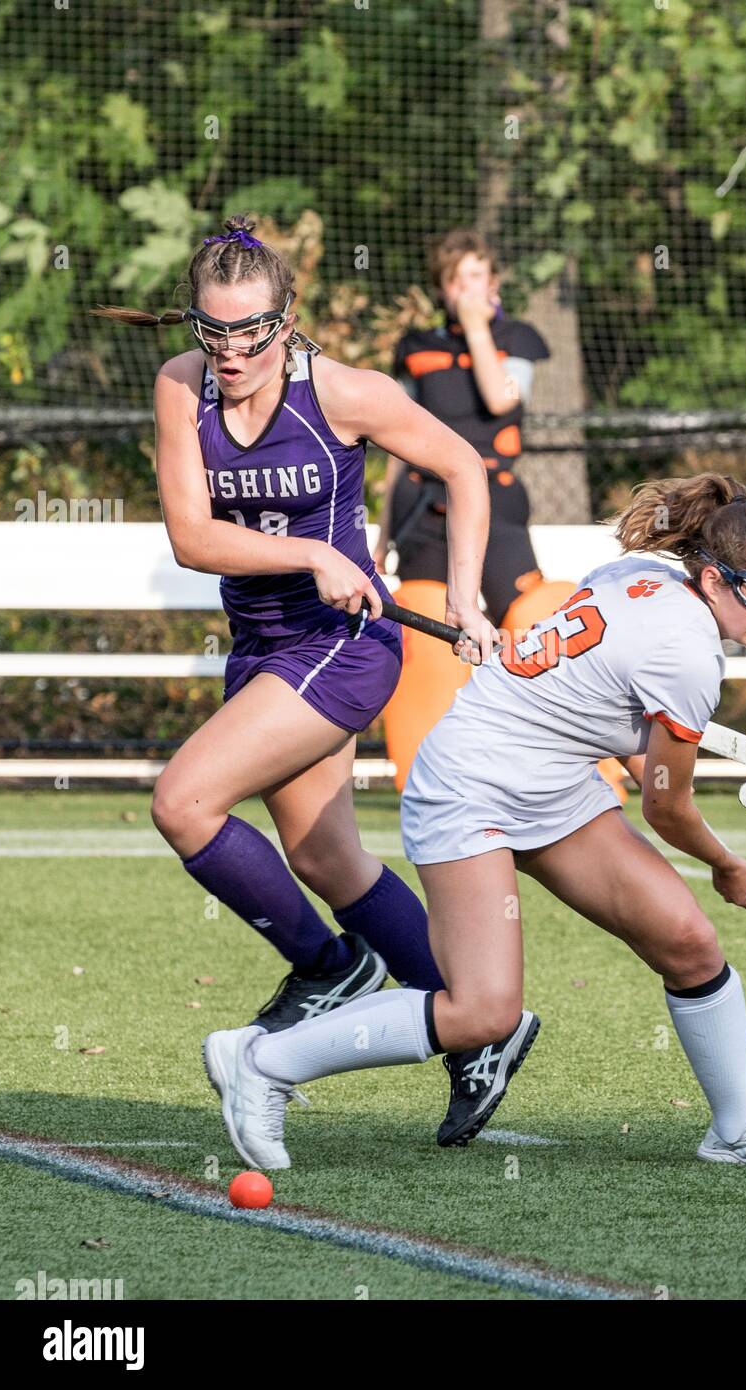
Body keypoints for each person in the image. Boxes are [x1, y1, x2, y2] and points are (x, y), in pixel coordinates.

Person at [204, 473, 746, 1171]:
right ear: (713, 579)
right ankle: (261, 1062)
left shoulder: (635, 576)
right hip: (469, 782)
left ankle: (738, 1129)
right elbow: (665, 806)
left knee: (685, 940)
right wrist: (725, 864)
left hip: (552, 780)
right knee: (484, 1013)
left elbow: (606, 713)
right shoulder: (690, 655)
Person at [92, 213, 539, 1151]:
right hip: (260, 644)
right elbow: (191, 534)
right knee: (328, 860)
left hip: (344, 644)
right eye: (212, 330)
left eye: (251, 330)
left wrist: (464, 596)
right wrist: (303, 549)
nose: (232, 350)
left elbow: (463, 465)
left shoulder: (343, 392)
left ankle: (333, 968)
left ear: (287, 320)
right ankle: (482, 1031)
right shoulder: (183, 389)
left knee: (184, 802)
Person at [373, 229, 550, 626]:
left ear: (493, 283)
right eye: (455, 279)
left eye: (474, 276)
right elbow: (398, 440)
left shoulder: (517, 339)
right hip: (424, 503)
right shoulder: (416, 346)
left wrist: (476, 329)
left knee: (527, 620)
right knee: (428, 625)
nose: (465, 287)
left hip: (496, 497)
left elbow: (501, 397)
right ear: (440, 289)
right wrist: (382, 538)